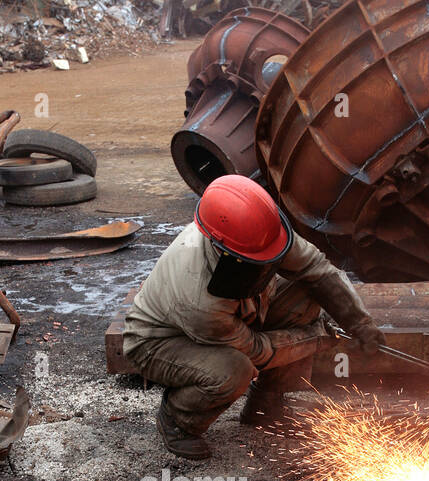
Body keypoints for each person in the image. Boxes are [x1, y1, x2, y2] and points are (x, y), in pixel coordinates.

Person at [123, 174, 385, 460]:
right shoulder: (201, 300)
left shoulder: (258, 231)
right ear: (228, 254)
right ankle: (177, 419)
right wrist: (315, 338)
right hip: (159, 342)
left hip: (228, 312)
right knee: (233, 370)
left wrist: (359, 322)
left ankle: (265, 405)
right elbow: (257, 352)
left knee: (310, 294)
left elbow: (316, 269)